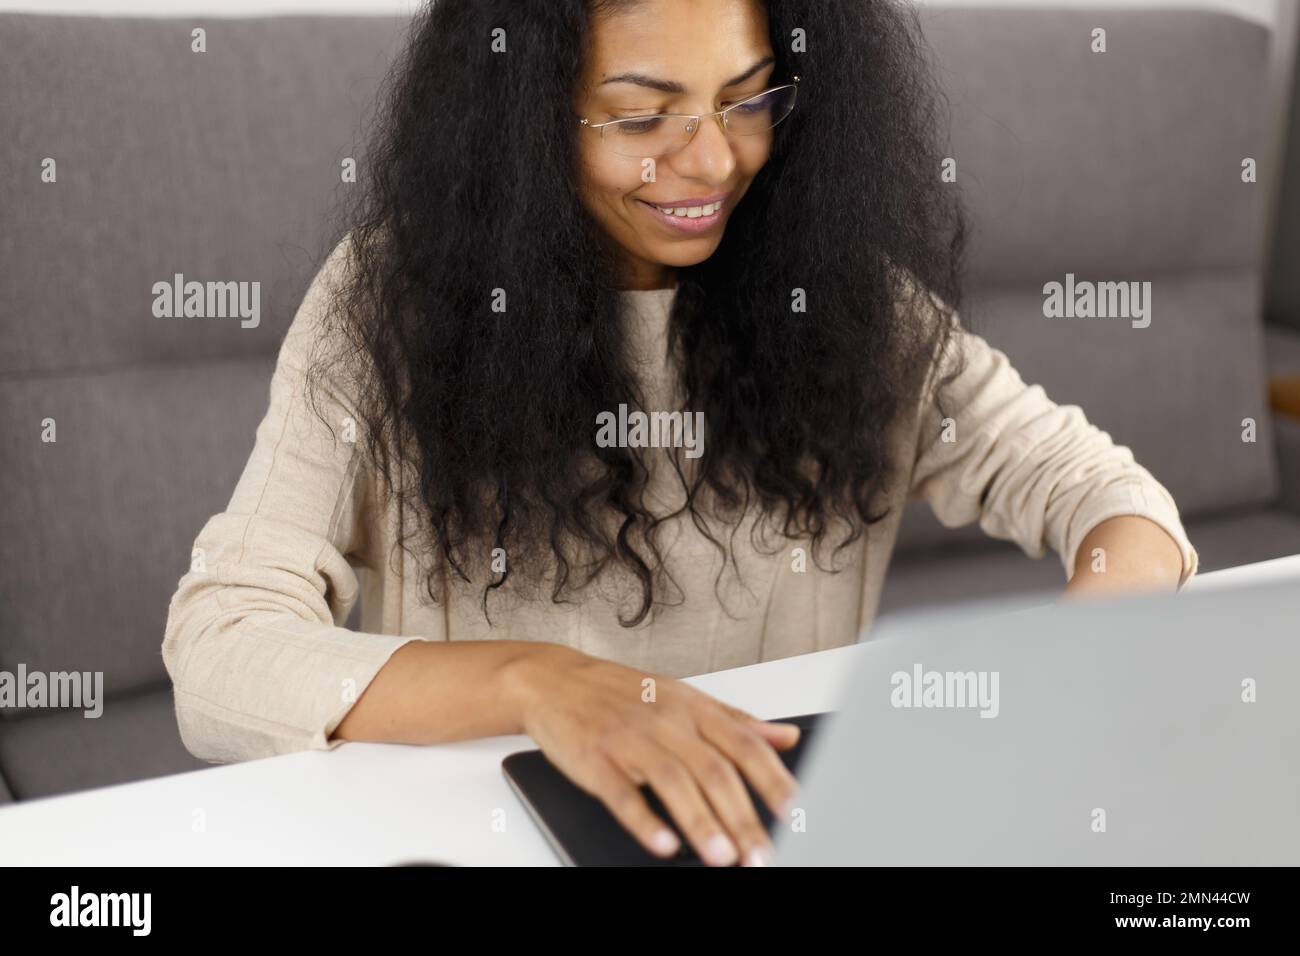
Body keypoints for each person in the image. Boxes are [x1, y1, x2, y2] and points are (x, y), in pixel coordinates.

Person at [163, 0, 1198, 867]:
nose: (712, 161)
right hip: (484, 829)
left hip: (773, 828)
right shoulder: (390, 303)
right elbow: (220, 644)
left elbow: (1109, 498)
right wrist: (539, 681)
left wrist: (1079, 662)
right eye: (640, 115)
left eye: (747, 100)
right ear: (525, 117)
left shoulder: (848, 304)